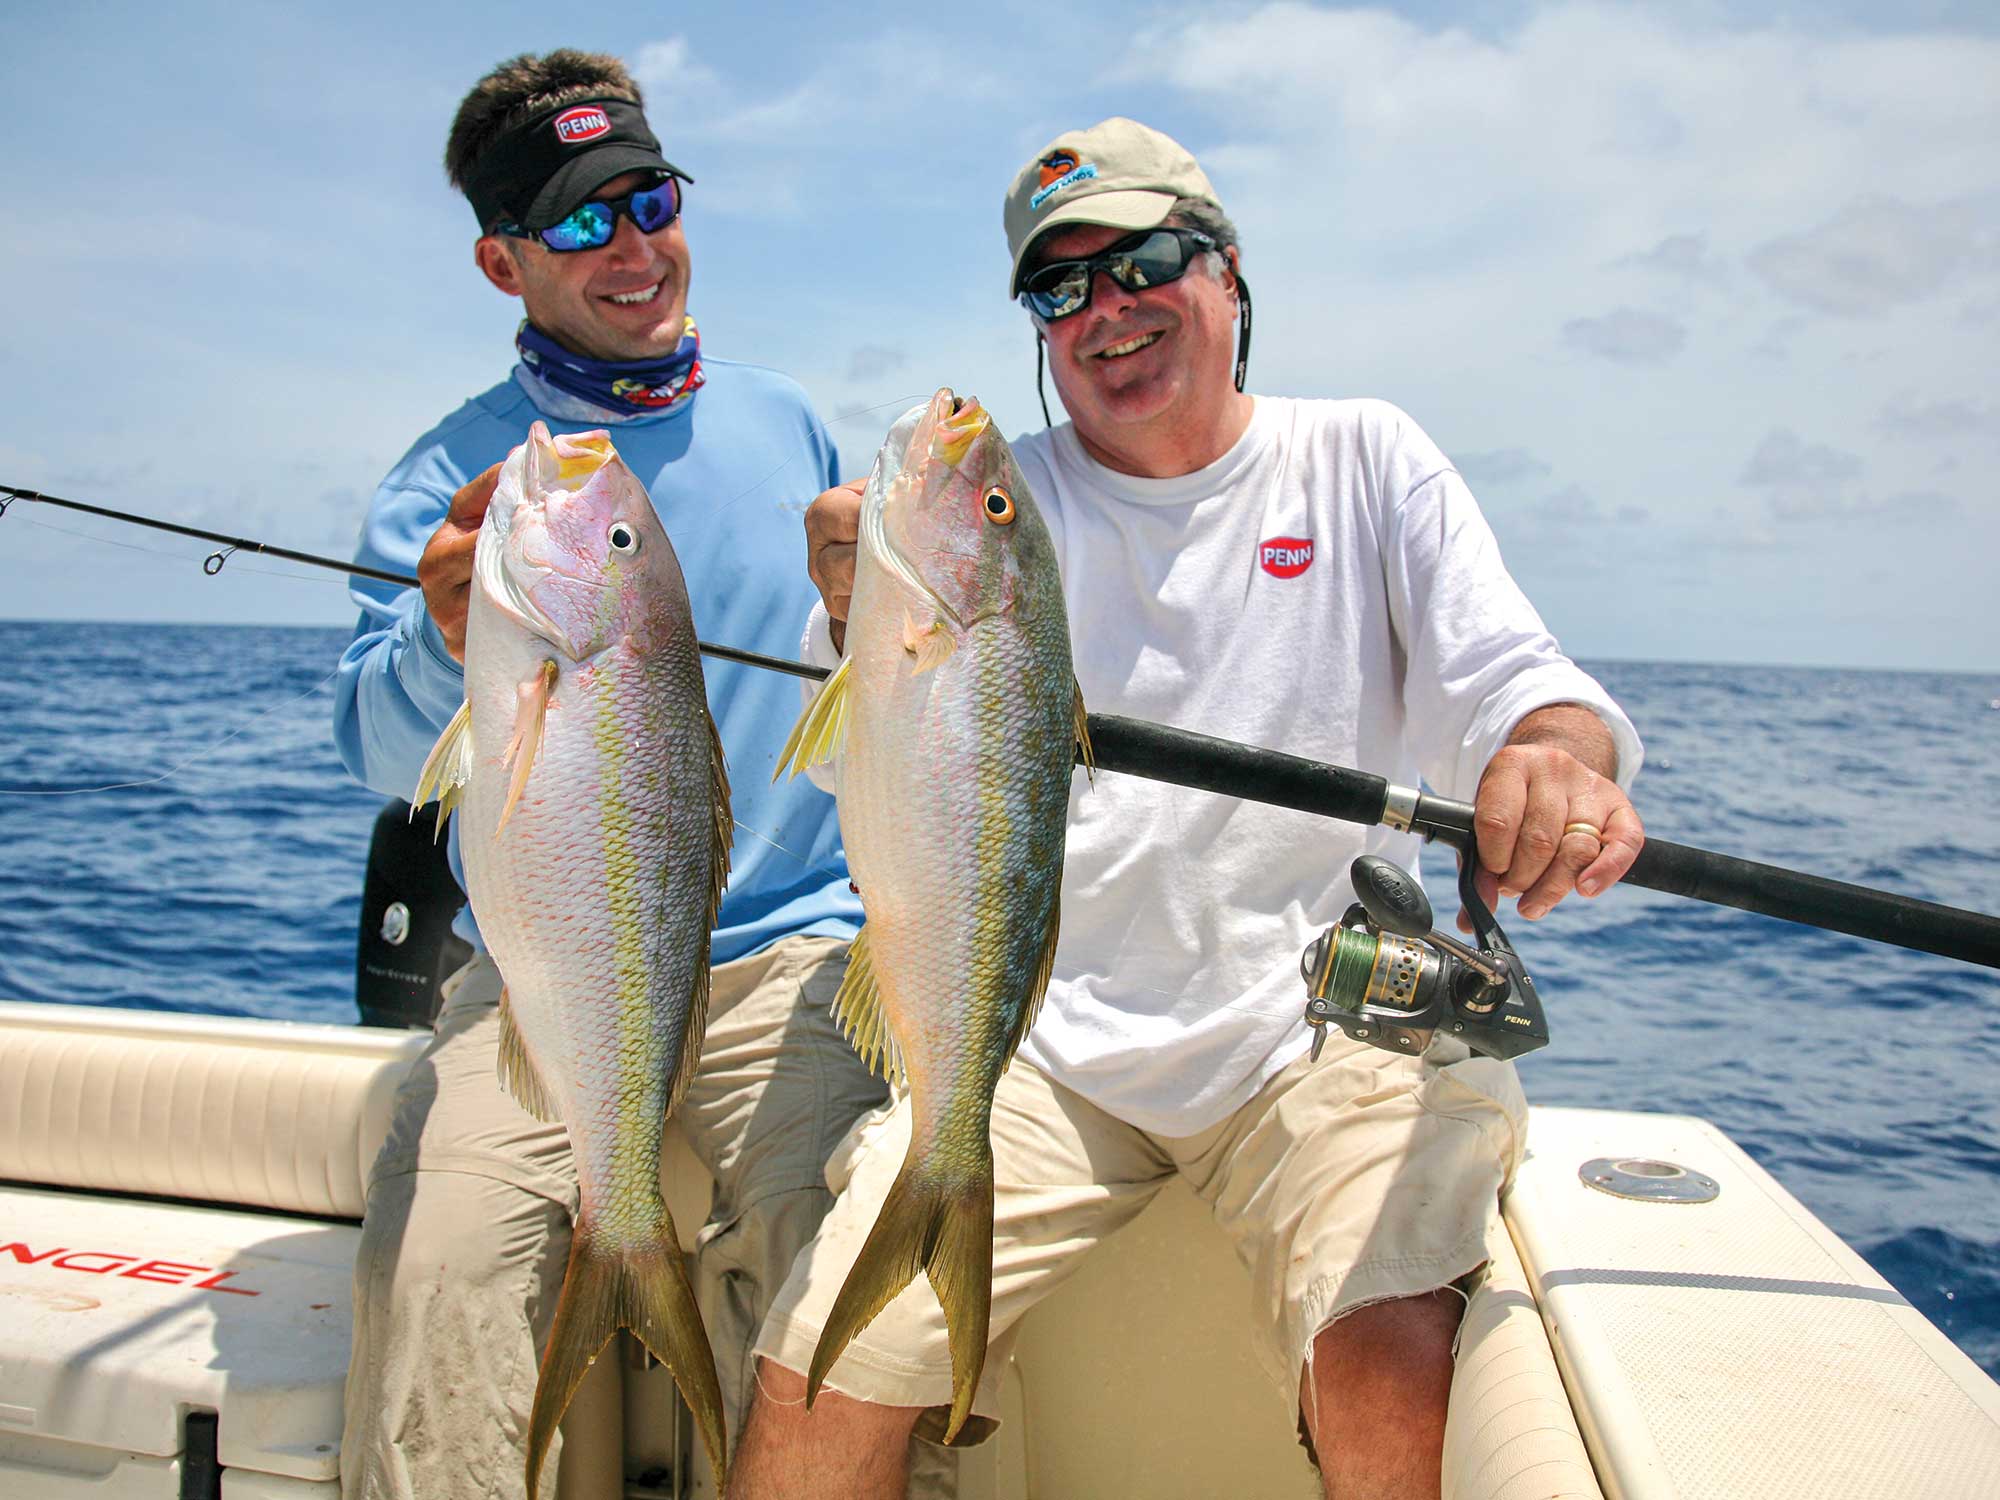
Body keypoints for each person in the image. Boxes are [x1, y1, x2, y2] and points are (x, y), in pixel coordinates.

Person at [728, 118, 1646, 1499]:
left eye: (1143, 261)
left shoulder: (1364, 460)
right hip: (1041, 1042)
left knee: (1392, 1370)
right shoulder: (997, 509)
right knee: (815, 1378)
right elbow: (853, 761)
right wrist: (855, 609)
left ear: (1227, 274)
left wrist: (1559, 760)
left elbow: (1525, 688)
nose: (1105, 310)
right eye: (1059, 288)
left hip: (1319, 1038)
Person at [331, 50, 889, 1500]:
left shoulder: (795, 423)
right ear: (500, 261)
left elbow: (876, 701)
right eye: (582, 223)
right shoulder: (447, 479)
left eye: (650, 198)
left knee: (851, 1277)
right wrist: (443, 639)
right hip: (539, 972)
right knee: (439, 1270)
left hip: (792, 954)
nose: (635, 248)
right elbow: (377, 755)